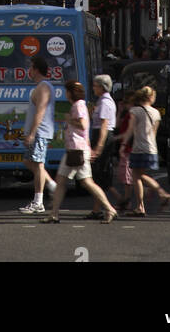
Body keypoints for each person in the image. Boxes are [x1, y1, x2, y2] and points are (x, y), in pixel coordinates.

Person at [42, 81, 117, 224]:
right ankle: (54, 214)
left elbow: (82, 125)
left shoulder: (78, 106)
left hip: (77, 150)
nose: (65, 94)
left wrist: (69, 120)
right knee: (62, 181)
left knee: (86, 182)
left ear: (71, 93)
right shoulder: (79, 105)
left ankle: (109, 208)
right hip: (75, 149)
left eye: (67, 91)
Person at [18, 55, 58, 216]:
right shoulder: (40, 86)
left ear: (36, 69)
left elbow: (41, 111)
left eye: (30, 67)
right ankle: (52, 185)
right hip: (37, 133)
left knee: (38, 164)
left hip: (40, 132)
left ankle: (38, 202)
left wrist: (32, 133)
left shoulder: (43, 87)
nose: (28, 70)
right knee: (28, 161)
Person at [126, 85, 170, 216]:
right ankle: (144, 203)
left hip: (139, 147)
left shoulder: (135, 111)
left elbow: (130, 130)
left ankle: (150, 200)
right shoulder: (156, 113)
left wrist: (124, 142)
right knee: (140, 175)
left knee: (137, 176)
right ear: (151, 97)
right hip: (151, 147)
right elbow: (154, 133)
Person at [88, 73, 116, 213]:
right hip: (101, 135)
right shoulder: (102, 101)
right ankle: (100, 207)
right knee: (99, 173)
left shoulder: (105, 102)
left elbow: (104, 125)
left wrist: (99, 145)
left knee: (99, 172)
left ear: (102, 87)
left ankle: (98, 209)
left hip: (102, 136)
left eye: (95, 85)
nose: (93, 88)